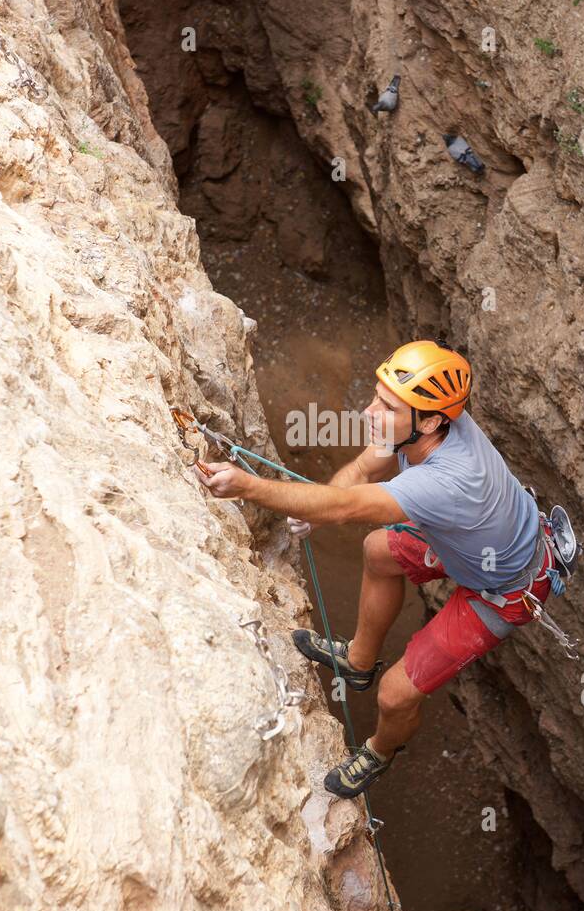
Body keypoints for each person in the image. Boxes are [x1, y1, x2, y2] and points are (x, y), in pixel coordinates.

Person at [193, 339, 554, 798]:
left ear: (431, 420)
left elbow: (346, 507)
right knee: (379, 551)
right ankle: (358, 661)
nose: (368, 413)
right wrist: (316, 506)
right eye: (375, 398)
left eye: (385, 406)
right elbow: (362, 471)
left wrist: (249, 486)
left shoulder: (448, 480)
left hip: (503, 590)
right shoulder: (422, 427)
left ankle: (379, 751)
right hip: (474, 540)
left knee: (395, 694)